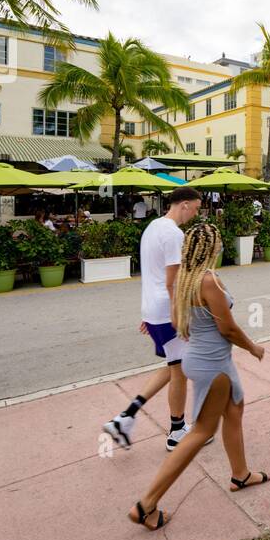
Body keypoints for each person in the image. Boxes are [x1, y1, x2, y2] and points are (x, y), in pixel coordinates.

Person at [128, 222, 270, 531]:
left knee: (235, 409)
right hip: (214, 365)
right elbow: (228, 328)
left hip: (201, 359)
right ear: (211, 248)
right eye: (219, 243)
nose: (221, 248)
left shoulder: (183, 279)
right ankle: (146, 504)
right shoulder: (208, 280)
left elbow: (179, 321)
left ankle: (240, 474)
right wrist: (253, 348)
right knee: (201, 432)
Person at [104, 186, 205, 454]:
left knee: (175, 366)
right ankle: (176, 431)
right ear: (184, 204)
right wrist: (177, 314)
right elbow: (173, 281)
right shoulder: (173, 234)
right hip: (166, 310)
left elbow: (152, 273)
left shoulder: (152, 227)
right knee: (180, 371)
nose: (194, 215)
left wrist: (149, 315)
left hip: (154, 309)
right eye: (194, 209)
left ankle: (125, 417)